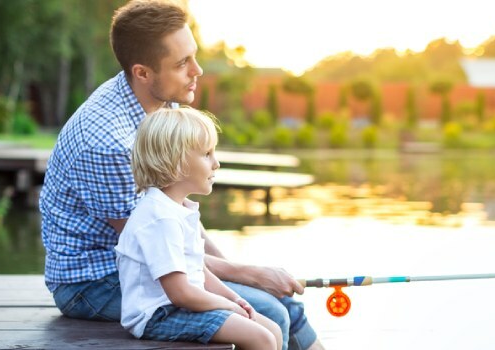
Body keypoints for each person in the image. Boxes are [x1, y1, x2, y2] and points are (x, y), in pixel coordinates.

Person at [39, 1, 322, 349]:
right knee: (268, 311)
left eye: (194, 56)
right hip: (94, 282)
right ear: (142, 72)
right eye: (182, 63)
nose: (198, 70)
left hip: (158, 264)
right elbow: (156, 245)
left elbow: (180, 216)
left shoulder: (162, 103)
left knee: (282, 303)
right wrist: (247, 276)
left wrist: (239, 271)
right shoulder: (107, 145)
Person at [115, 107, 280, 349]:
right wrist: (228, 307)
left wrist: (235, 298)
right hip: (158, 315)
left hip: (180, 306)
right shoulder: (160, 218)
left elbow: (199, 271)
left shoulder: (177, 209)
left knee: (272, 329)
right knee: (261, 338)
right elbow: (180, 293)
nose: (217, 163)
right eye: (207, 154)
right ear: (175, 162)